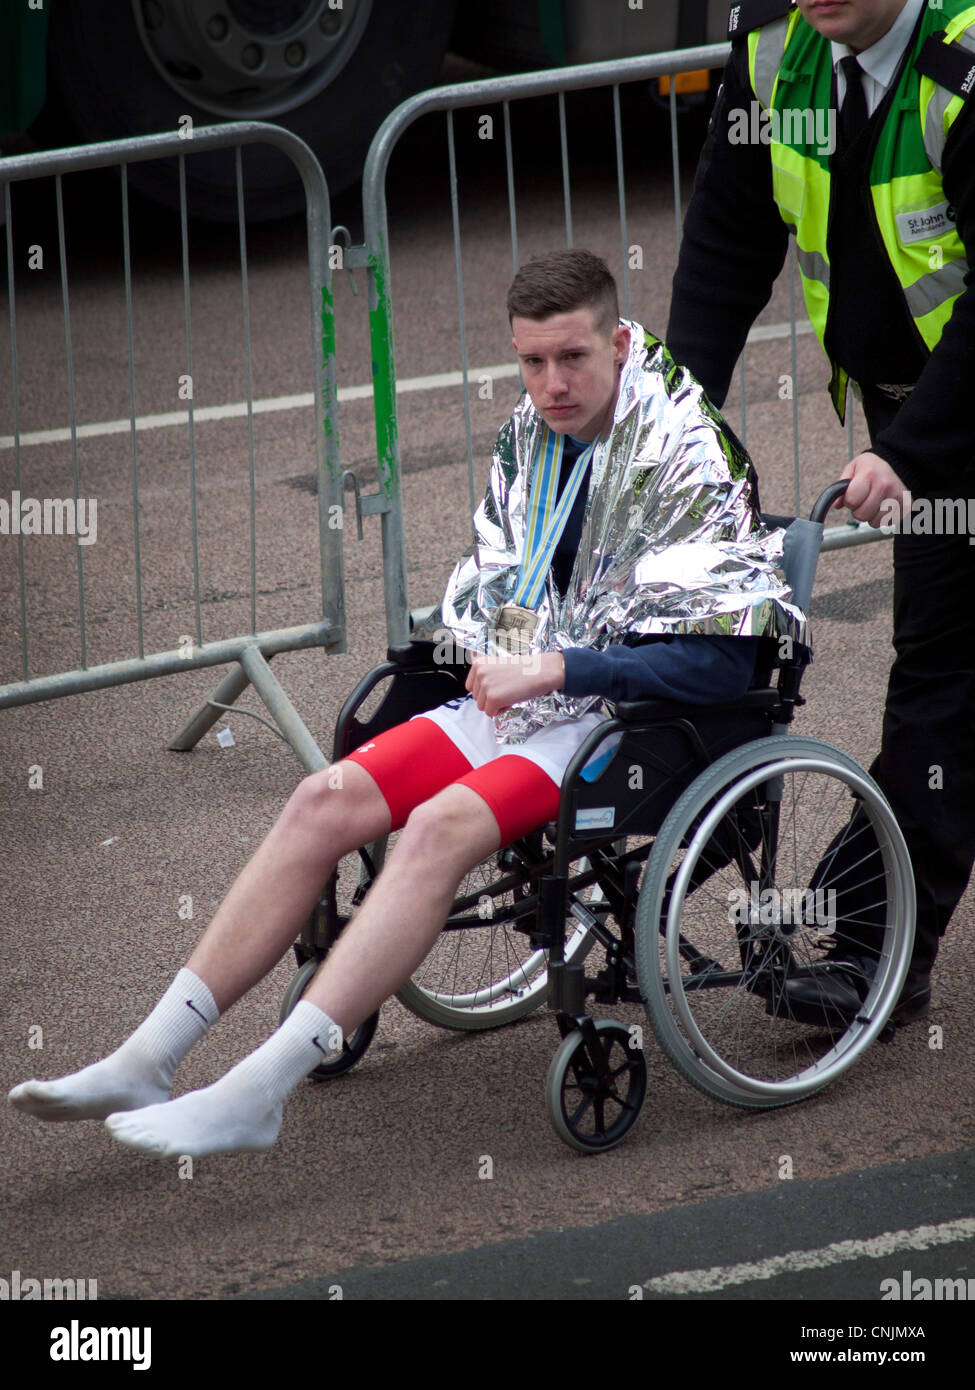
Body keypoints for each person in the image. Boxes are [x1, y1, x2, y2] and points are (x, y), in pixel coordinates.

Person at [8, 249, 801, 1158]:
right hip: (526, 695)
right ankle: (150, 1054)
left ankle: (261, 1088)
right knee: (321, 800)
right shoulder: (534, 436)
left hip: (617, 718)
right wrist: (509, 660)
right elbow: (504, 581)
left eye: (572, 358)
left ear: (619, 342)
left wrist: (556, 670)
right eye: (530, 362)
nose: (550, 385)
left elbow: (724, 667)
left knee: (435, 830)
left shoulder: (684, 448)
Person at [666, 0, 975, 1027]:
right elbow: (726, 245)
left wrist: (910, 450)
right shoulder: (775, 51)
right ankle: (872, 945)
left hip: (951, 413)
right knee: (943, 681)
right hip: (919, 416)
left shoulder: (962, 63)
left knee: (951, 692)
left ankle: (863, 929)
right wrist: (671, 432)